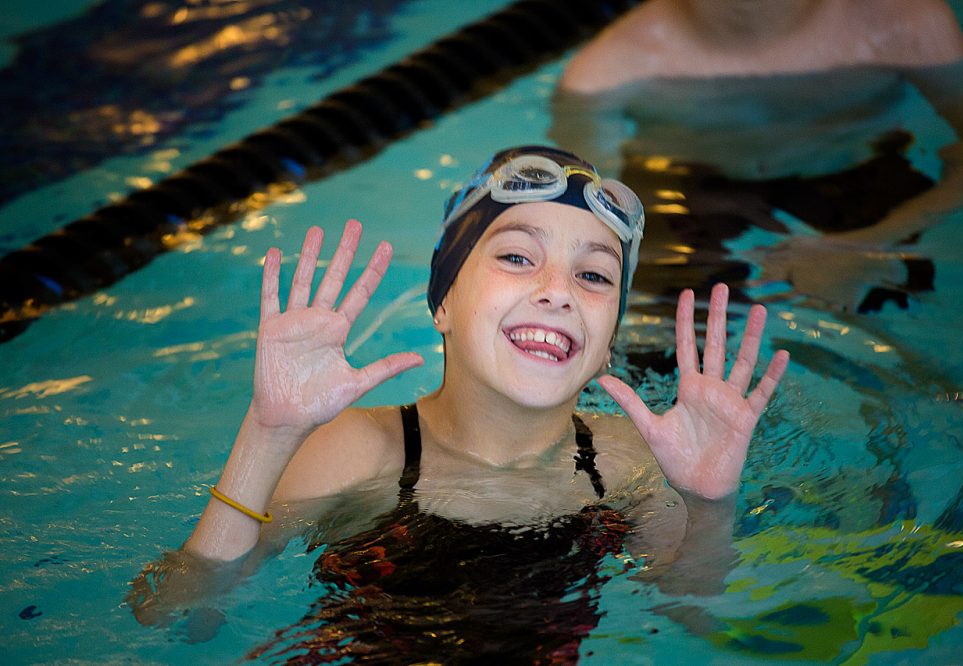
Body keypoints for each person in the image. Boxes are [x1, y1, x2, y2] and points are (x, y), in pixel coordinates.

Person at [128, 145, 789, 661]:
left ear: (609, 339)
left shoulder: (625, 463)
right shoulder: (358, 453)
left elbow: (690, 616)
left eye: (593, 275)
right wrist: (267, 434)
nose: (558, 291)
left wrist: (709, 505)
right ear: (442, 302)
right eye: (517, 257)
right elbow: (179, 618)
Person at [551, 0, 963, 313]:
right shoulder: (606, 72)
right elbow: (583, 211)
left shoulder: (903, 24)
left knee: (894, 308)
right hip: (687, 188)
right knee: (662, 346)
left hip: (852, 170)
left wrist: (871, 244)